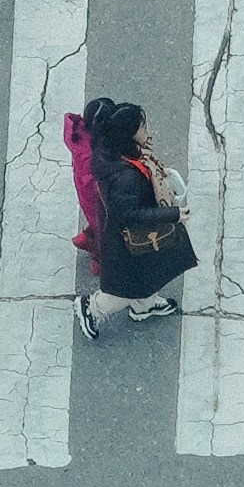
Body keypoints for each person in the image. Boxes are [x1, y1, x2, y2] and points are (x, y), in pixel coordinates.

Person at [73, 97, 197, 332]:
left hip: (133, 239)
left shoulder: (116, 154)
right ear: (129, 134)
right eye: (142, 127)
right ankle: (92, 308)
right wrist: (173, 214)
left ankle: (145, 305)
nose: (147, 131)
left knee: (148, 276)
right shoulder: (124, 177)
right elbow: (129, 214)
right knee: (128, 287)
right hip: (128, 242)